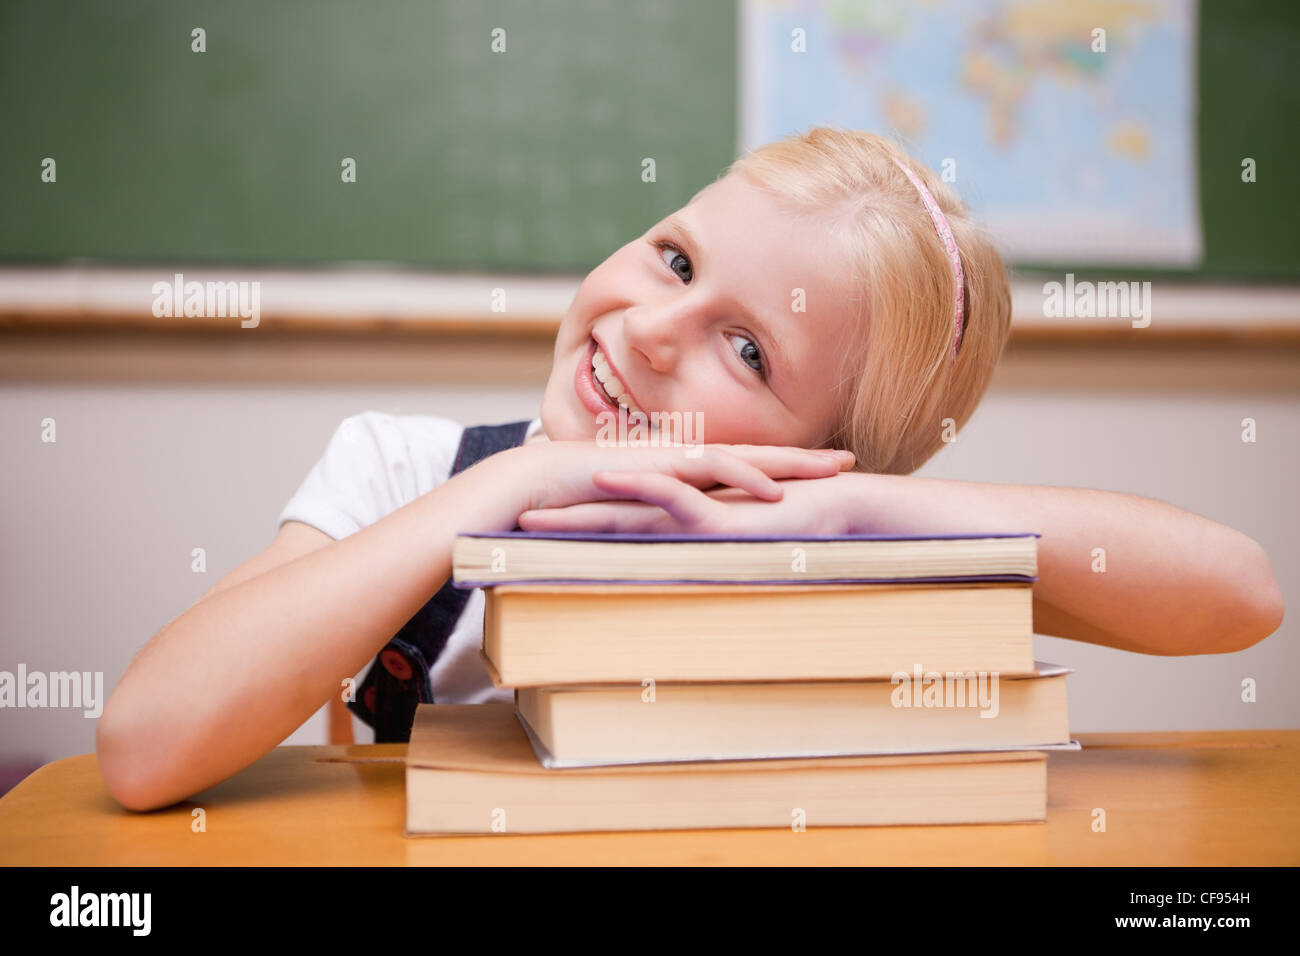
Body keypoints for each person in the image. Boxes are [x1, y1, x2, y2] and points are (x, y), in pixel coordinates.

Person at [96, 128, 1283, 811]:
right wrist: (493, 493)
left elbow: (1238, 593)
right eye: (674, 259)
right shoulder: (406, 464)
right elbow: (145, 745)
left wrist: (860, 503)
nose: (656, 329)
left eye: (751, 347)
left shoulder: (831, 542)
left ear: (819, 448)